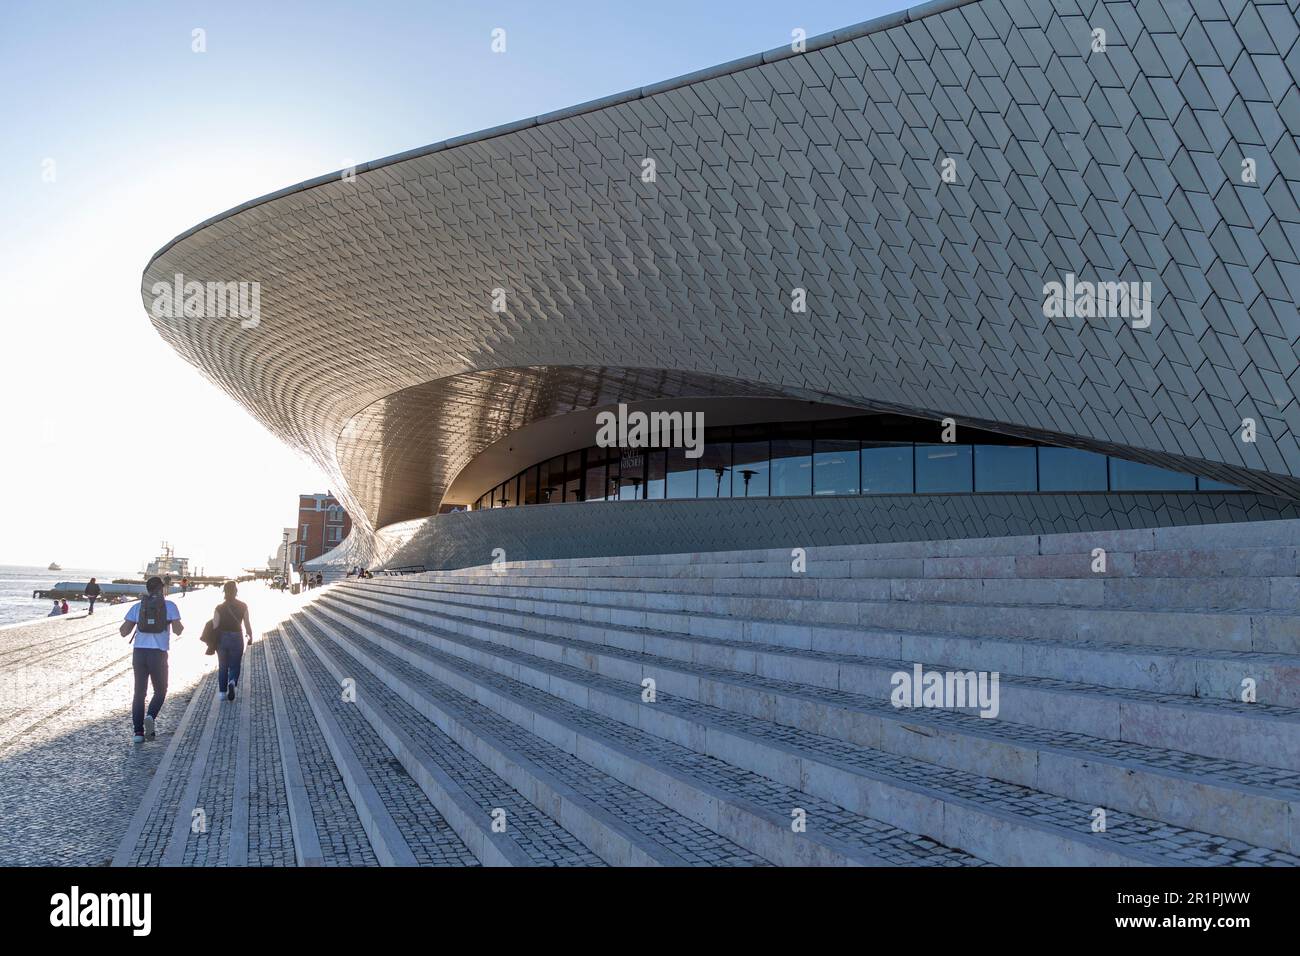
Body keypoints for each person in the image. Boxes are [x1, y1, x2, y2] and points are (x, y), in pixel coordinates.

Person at [120, 576, 183, 744]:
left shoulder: (138, 606)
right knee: (161, 690)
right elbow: (178, 630)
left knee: (139, 693)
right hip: (158, 653)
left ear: (147, 589)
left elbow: (124, 631)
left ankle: (138, 732)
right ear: (162, 589)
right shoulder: (169, 606)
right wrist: (171, 621)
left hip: (139, 653)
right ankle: (150, 716)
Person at [212, 581, 252, 701]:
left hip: (222, 638)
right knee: (235, 663)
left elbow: (215, 625)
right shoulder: (243, 606)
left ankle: (222, 693)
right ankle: (233, 681)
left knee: (223, 665)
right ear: (236, 591)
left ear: (224, 592)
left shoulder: (219, 608)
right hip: (237, 636)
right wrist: (250, 635)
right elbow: (247, 622)